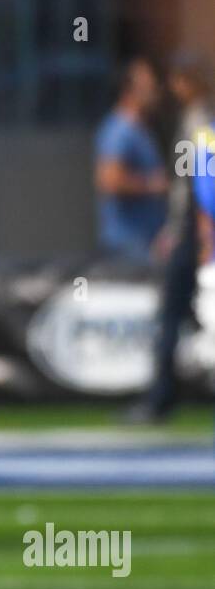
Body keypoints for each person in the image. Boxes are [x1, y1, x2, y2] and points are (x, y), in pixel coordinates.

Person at [128, 51, 212, 421]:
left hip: (195, 232)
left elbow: (202, 184)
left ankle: (161, 397)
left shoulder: (201, 119)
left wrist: (196, 229)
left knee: (171, 314)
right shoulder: (195, 118)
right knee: (179, 314)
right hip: (192, 228)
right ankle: (163, 395)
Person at [94, 57, 168, 262]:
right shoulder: (119, 131)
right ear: (130, 90)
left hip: (147, 243)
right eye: (149, 88)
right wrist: (154, 184)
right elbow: (109, 180)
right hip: (127, 245)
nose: (155, 94)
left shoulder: (143, 129)